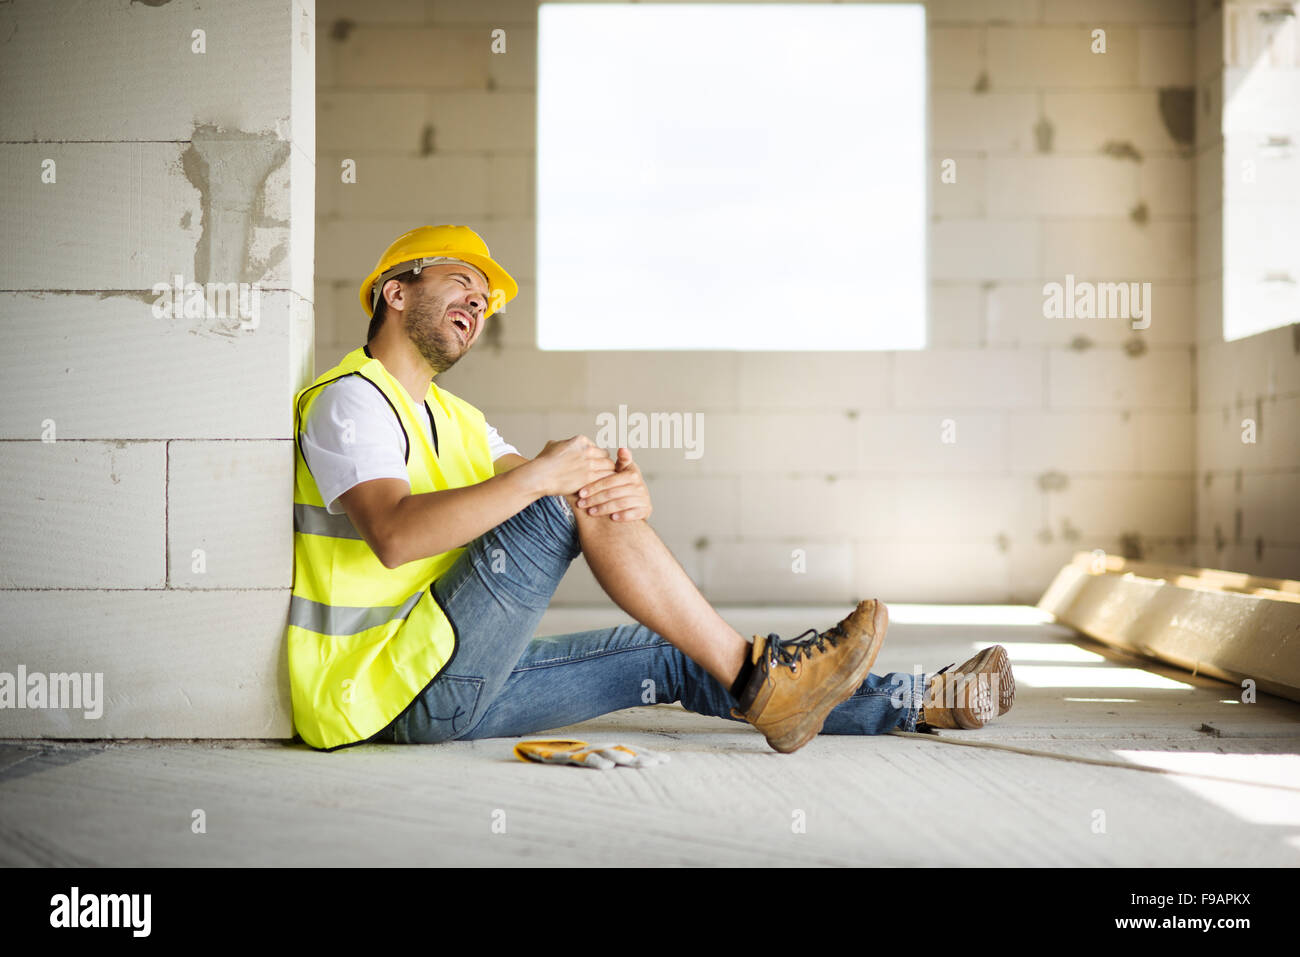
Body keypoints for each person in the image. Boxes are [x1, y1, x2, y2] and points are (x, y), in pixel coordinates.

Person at [285, 224, 1015, 753]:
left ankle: (922, 699)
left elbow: (558, 490)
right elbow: (396, 535)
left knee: (673, 653)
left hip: (456, 677)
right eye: (460, 285)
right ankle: (768, 676)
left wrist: (614, 489)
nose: (478, 307)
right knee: (560, 492)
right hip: (377, 690)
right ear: (393, 291)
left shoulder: (457, 418)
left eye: (486, 301)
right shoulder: (350, 398)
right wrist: (561, 480)